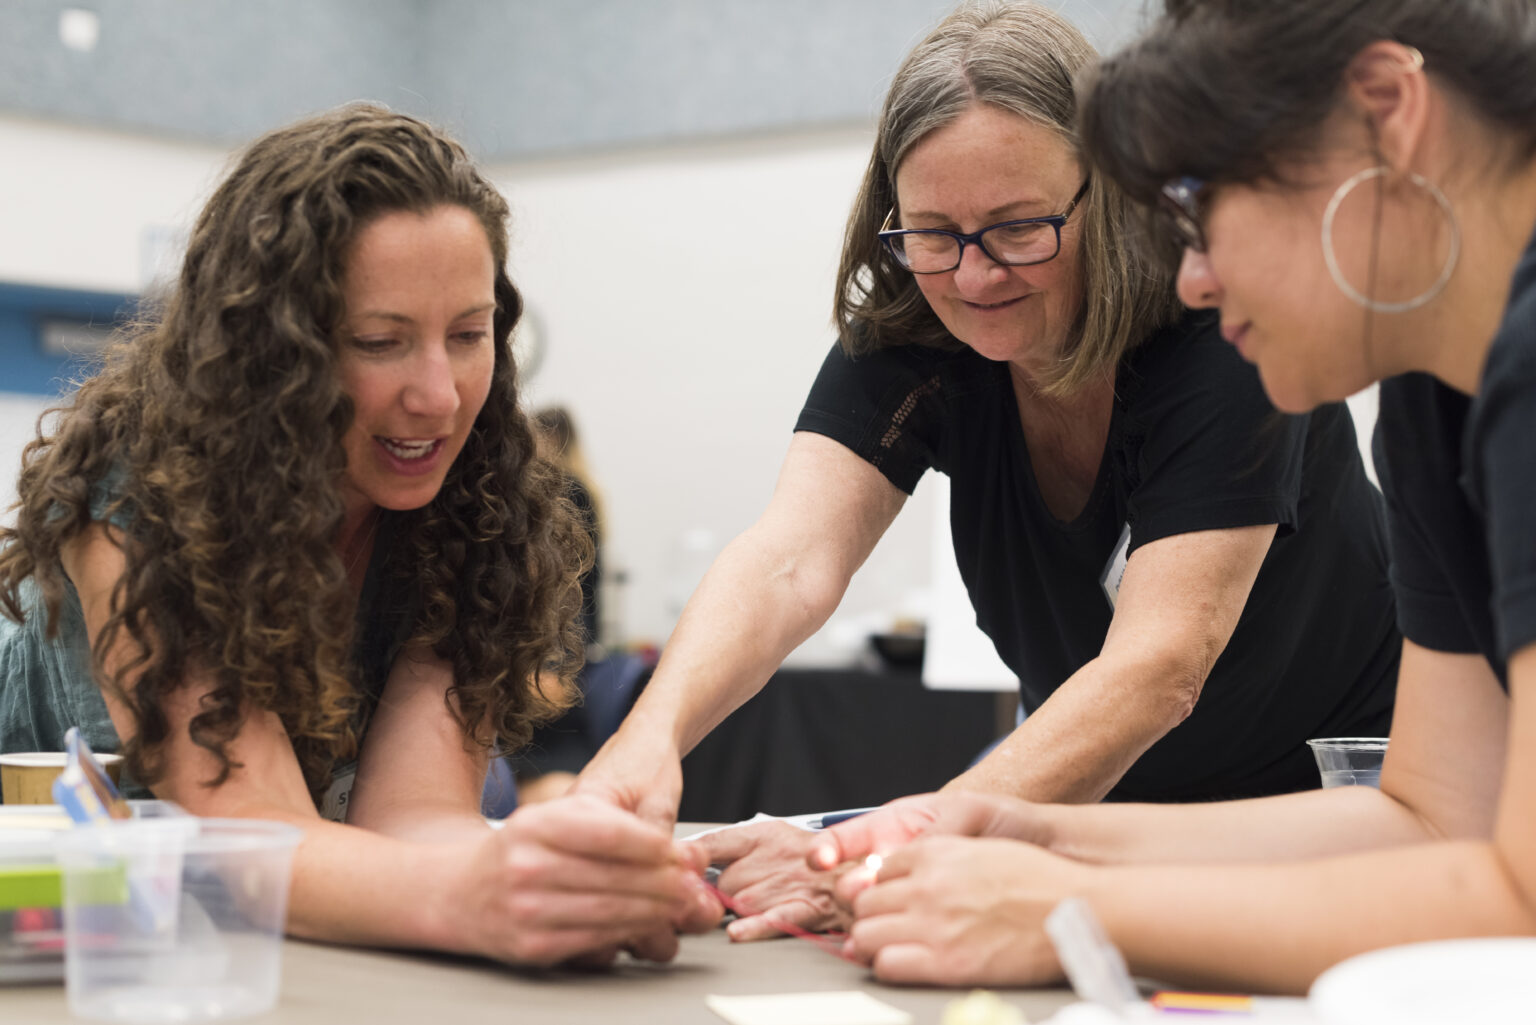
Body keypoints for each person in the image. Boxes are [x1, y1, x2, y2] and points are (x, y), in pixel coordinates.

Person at [577, 0, 1399, 942]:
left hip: (1326, 822)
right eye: (934, 232)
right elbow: (789, 561)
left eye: (1018, 228)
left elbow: (1159, 665)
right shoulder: (921, 322)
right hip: (1095, 820)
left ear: (1108, 191)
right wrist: (645, 742)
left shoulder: (1215, 332)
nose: (973, 276)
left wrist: (898, 844)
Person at [810, 0, 1536, 992]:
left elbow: (1522, 899)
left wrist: (1067, 910)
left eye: (1202, 205)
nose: (1192, 279)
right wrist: (1020, 834)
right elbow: (1431, 823)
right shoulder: (1434, 391)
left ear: (1386, 108)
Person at [0, 104, 715, 967]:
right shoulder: (134, 498)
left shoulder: (469, 513)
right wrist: (485, 896)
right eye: (381, 341)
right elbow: (253, 832)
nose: (439, 395)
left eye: (468, 334)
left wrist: (572, 878)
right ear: (272, 354)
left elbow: (413, 820)